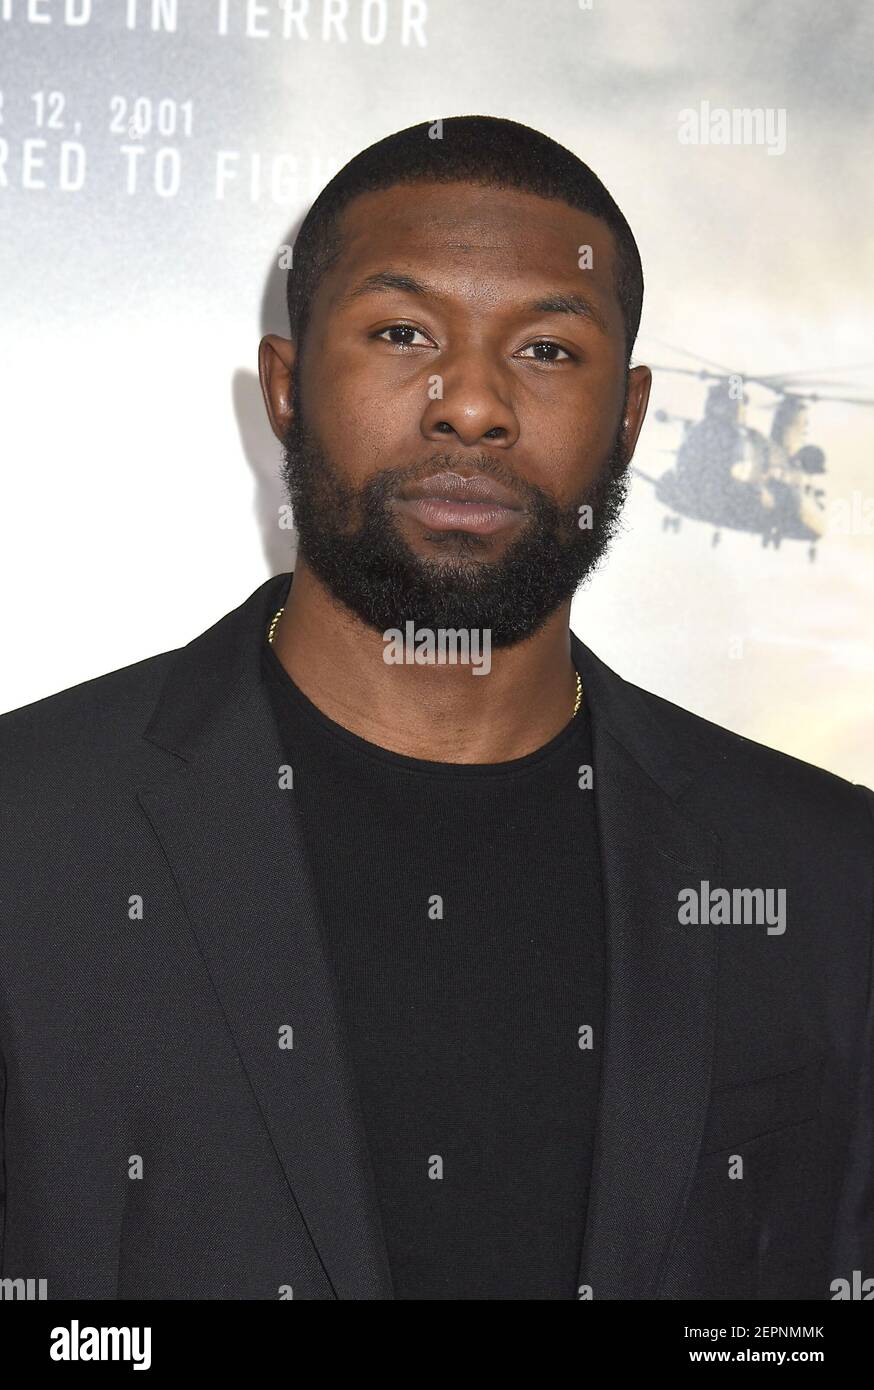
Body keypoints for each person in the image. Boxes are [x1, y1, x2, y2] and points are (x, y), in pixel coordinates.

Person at [1, 116, 871, 1302]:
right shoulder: (30, 830)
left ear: (628, 416)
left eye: (548, 349)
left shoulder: (825, 874)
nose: (470, 403)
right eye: (402, 333)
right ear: (285, 387)